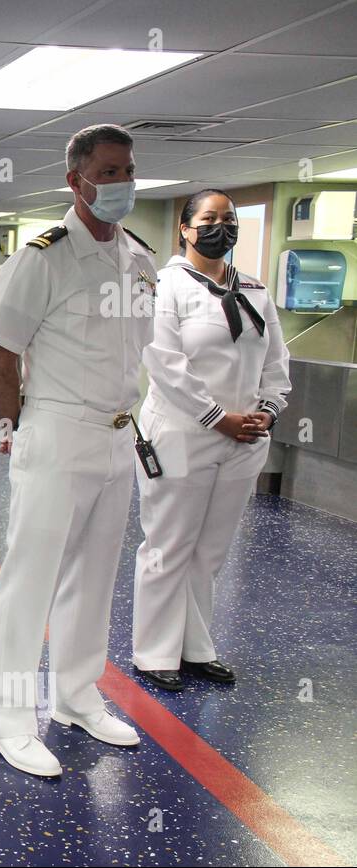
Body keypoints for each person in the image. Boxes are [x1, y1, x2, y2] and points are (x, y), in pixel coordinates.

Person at [0, 124, 158, 778]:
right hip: (55, 431)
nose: (120, 183)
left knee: (94, 578)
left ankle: (77, 698)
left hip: (115, 437)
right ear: (75, 180)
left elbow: (139, 351)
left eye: (127, 170)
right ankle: (7, 722)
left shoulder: (137, 257)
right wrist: (16, 426)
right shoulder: (42, 256)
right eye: (107, 172)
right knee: (31, 582)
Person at [131, 189, 291, 691]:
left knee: (211, 550)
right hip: (182, 433)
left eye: (228, 218)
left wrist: (266, 410)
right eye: (208, 218)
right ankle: (154, 652)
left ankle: (195, 648)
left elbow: (276, 362)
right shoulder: (164, 286)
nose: (219, 226)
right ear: (184, 228)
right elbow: (164, 361)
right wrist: (217, 416)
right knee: (169, 544)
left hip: (244, 439)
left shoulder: (256, 290)